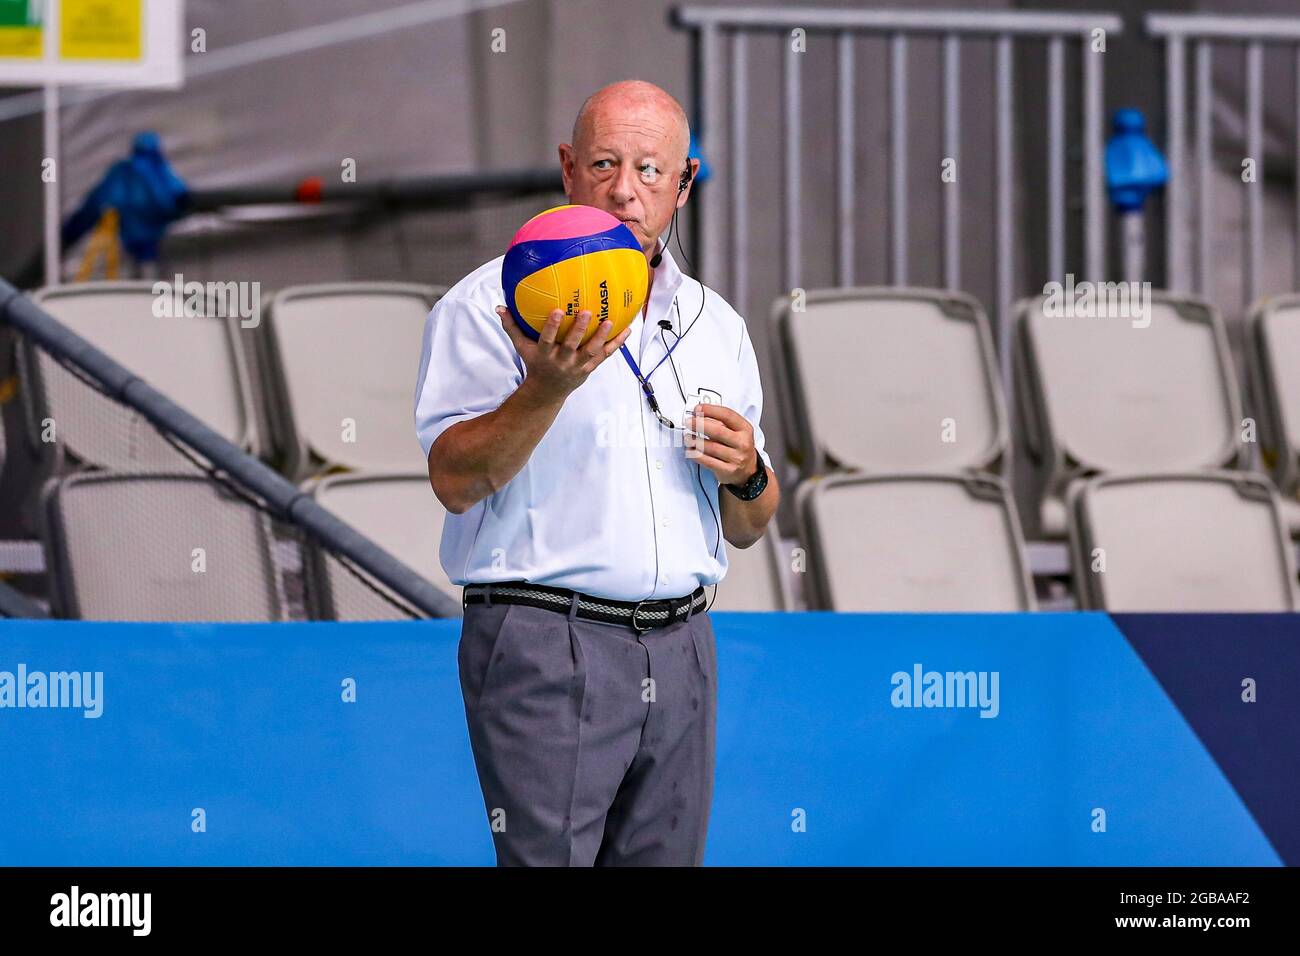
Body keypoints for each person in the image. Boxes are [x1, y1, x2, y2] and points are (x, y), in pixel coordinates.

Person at [413, 79, 779, 866]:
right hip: (547, 635)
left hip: (682, 643)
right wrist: (544, 387)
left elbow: (750, 526)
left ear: (684, 183)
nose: (625, 190)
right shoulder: (489, 306)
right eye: (605, 163)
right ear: (567, 168)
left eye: (651, 170)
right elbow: (454, 479)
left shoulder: (719, 327)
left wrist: (748, 471)